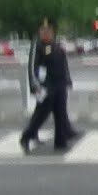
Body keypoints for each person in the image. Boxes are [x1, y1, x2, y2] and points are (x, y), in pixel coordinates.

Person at [20, 20, 74, 153]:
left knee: (60, 113)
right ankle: (27, 136)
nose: (46, 33)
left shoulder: (57, 46)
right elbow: (33, 67)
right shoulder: (38, 46)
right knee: (41, 113)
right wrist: (35, 84)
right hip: (46, 85)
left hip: (59, 83)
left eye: (49, 31)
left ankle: (60, 141)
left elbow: (63, 65)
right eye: (43, 31)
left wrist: (67, 80)